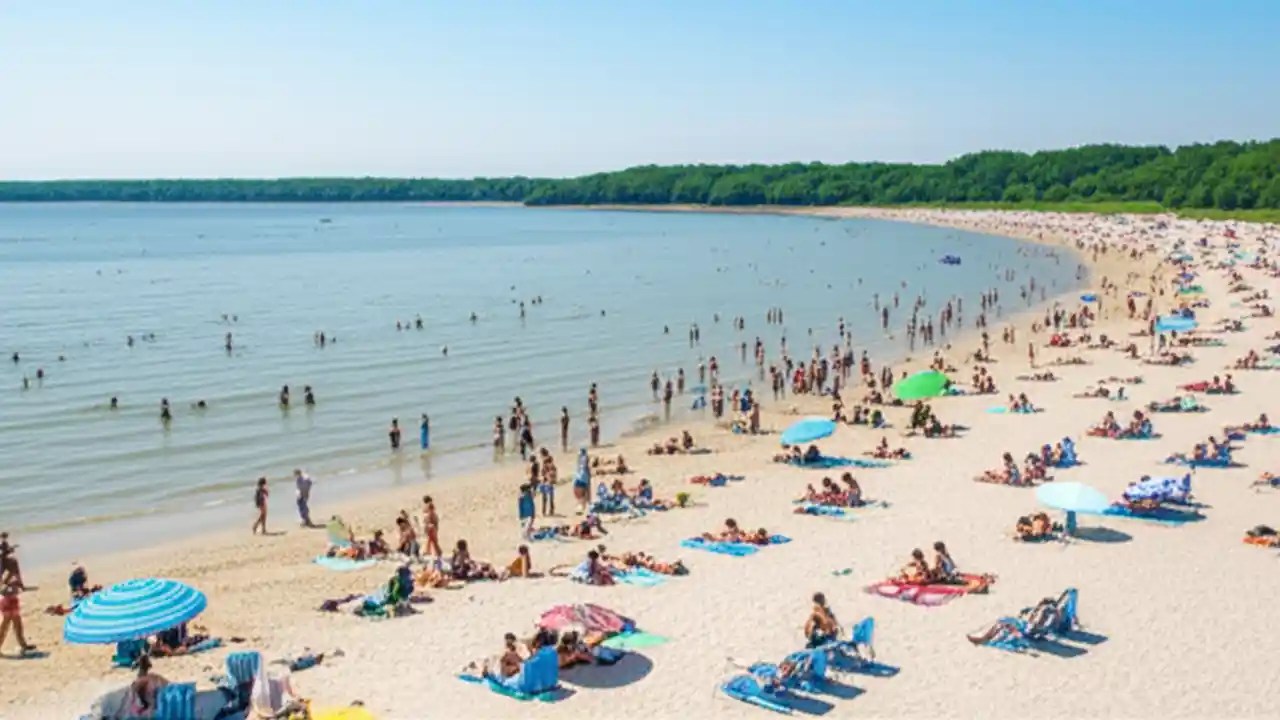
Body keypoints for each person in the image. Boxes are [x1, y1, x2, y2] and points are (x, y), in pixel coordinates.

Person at [0, 582, 35, 656]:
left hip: (10, 598)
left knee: (16, 624)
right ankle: (23, 645)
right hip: (8, 599)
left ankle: (23, 645)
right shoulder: (9, 572)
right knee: (7, 625)